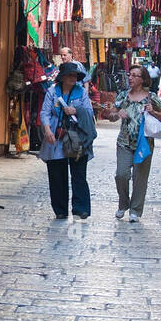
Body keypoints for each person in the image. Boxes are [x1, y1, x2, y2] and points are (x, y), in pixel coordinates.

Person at [103, 64, 161, 222]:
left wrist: (153, 112)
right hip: (124, 142)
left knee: (140, 179)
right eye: (129, 74)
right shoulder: (123, 96)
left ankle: (135, 210)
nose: (130, 78)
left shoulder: (151, 97)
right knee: (121, 175)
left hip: (144, 144)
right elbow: (110, 114)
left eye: (134, 75)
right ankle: (123, 203)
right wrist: (117, 113)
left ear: (142, 79)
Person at [39, 61, 95, 220]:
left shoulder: (81, 92)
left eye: (75, 75)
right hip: (57, 136)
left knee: (78, 172)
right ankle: (60, 209)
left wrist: (76, 110)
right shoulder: (52, 91)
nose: (73, 78)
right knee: (56, 173)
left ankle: (81, 208)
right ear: (63, 77)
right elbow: (45, 112)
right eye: (70, 75)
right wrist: (47, 130)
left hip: (76, 136)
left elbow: (89, 112)